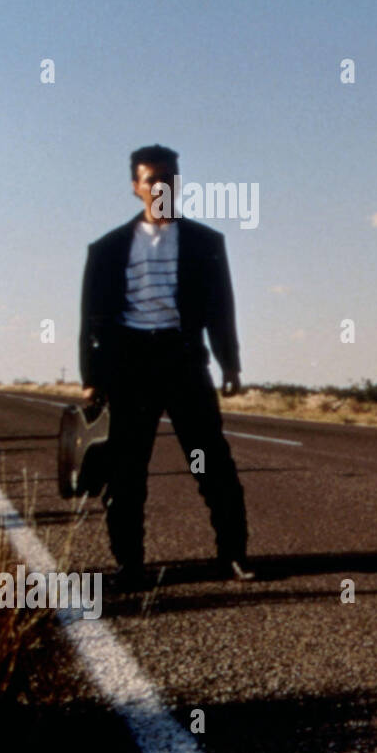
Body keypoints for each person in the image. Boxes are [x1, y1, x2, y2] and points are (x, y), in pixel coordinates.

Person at [79, 144, 255, 588]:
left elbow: (221, 307)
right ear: (136, 188)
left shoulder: (204, 242)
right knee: (127, 470)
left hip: (183, 361)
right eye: (152, 180)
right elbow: (92, 318)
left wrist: (230, 365)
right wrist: (91, 379)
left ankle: (232, 556)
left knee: (210, 463)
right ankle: (129, 565)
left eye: (170, 179)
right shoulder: (108, 248)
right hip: (129, 365)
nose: (162, 187)